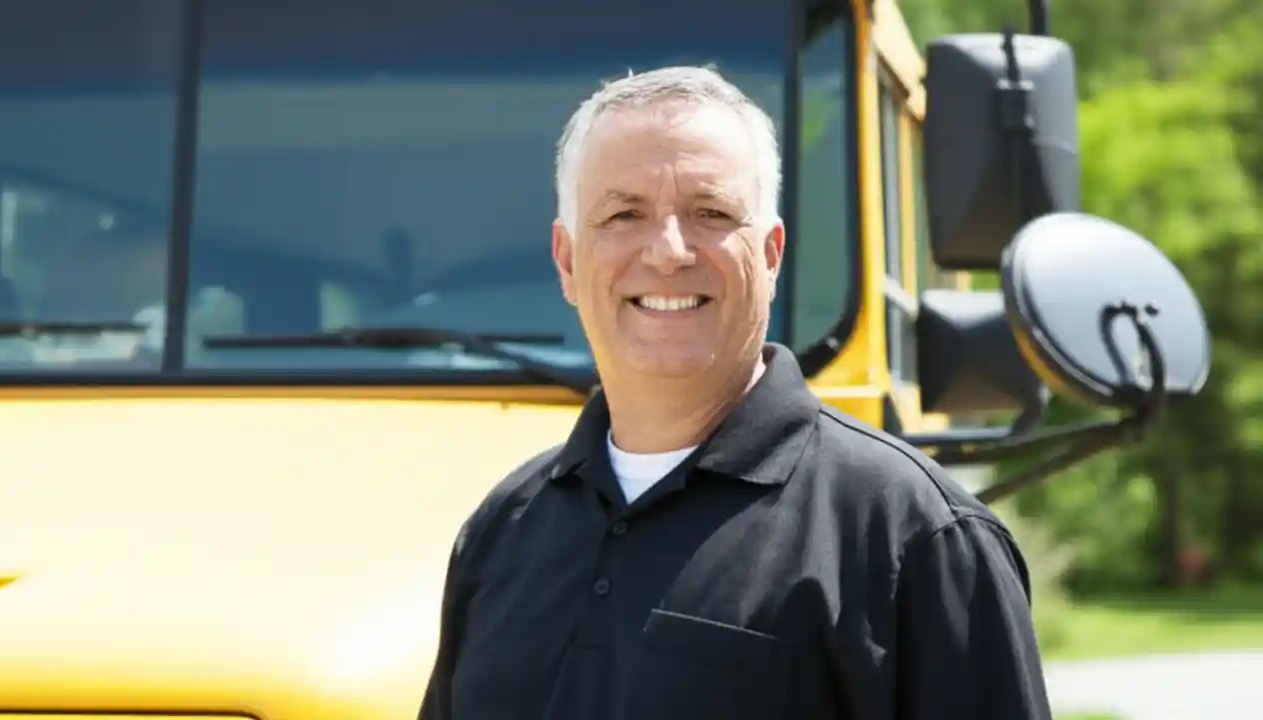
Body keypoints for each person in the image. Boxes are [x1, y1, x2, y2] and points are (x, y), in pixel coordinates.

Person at [417, 66, 1052, 719]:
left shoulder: (916, 538)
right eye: (623, 213)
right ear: (569, 261)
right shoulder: (501, 534)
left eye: (710, 213)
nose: (667, 251)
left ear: (772, 255)